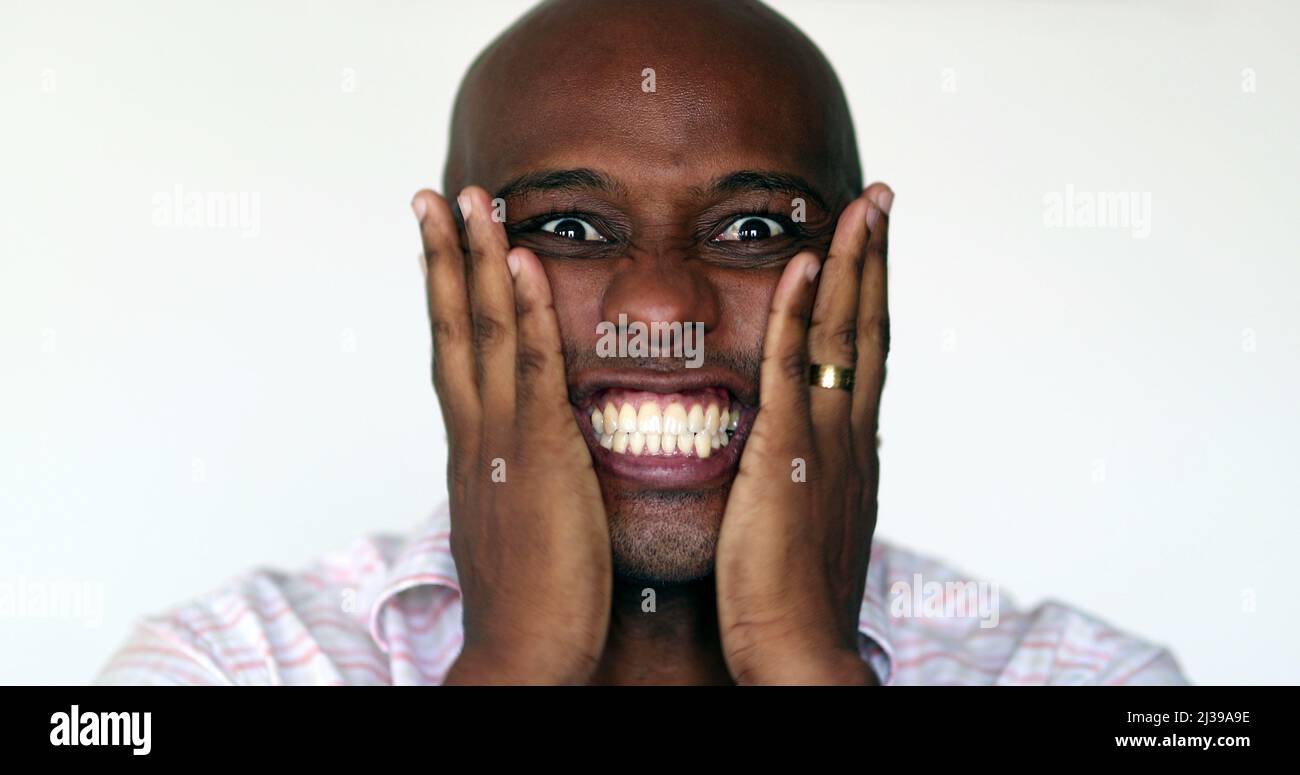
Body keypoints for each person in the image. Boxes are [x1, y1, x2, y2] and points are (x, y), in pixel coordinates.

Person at [96, 0, 1187, 685]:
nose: (662, 310)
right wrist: (517, 666)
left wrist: (807, 665)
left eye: (755, 230)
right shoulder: (216, 667)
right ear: (449, 281)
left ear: (868, 279)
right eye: (568, 228)